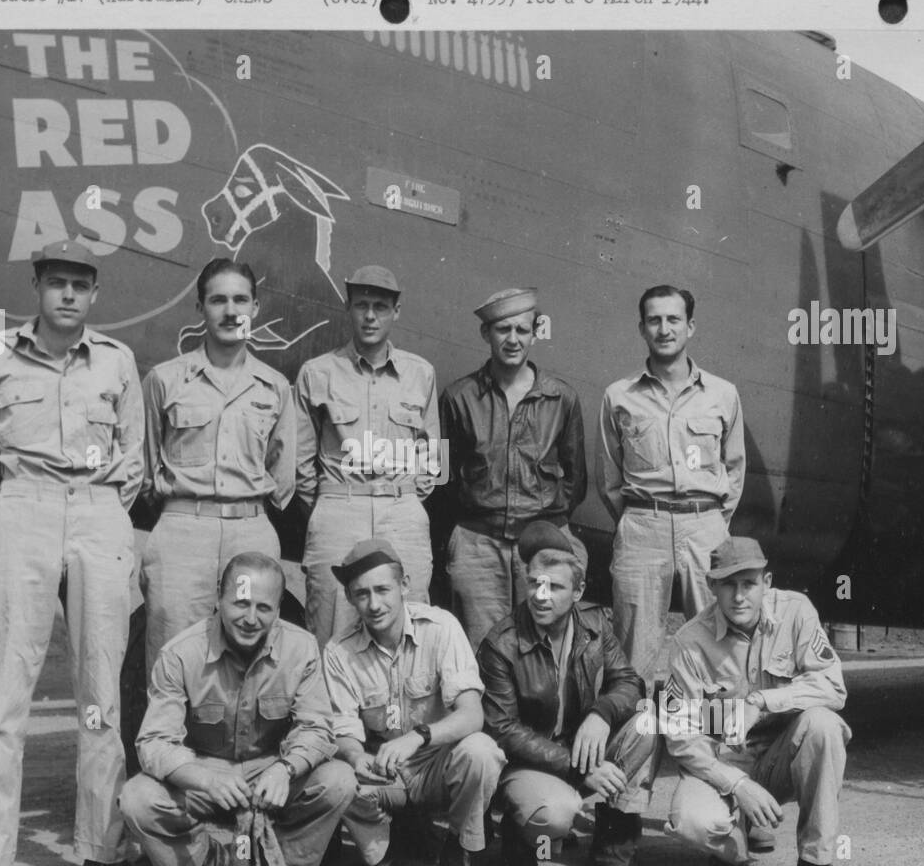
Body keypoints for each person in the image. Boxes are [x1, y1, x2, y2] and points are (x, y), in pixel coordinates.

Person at [0, 239, 144, 866]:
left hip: (97, 511)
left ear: (94, 294)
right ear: (36, 286)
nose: (68, 294)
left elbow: (135, 459)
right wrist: (13, 508)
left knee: (101, 694)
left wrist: (94, 510)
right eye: (57, 281)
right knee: (7, 698)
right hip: (23, 510)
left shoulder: (118, 361)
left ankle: (101, 850)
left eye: (81, 284)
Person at [118, 553, 355, 866]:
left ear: (278, 609)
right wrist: (203, 779)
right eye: (240, 603)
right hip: (203, 776)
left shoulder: (301, 646)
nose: (250, 618)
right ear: (218, 597)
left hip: (269, 774)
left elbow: (317, 727)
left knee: (338, 780)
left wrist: (285, 769)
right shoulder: (180, 654)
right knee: (137, 798)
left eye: (264, 607)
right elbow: (154, 742)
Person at [662, 537, 853, 866]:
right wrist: (737, 784)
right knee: (691, 822)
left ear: (766, 583)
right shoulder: (690, 642)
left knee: (824, 725)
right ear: (711, 586)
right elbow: (680, 735)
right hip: (724, 764)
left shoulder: (796, 612)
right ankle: (733, 846)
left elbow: (833, 687)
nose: (739, 597)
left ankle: (817, 862)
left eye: (749, 583)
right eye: (728, 585)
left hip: (781, 756)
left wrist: (761, 701)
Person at [478, 522, 660, 866]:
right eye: (535, 584)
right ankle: (524, 836)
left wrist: (601, 713)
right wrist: (579, 771)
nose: (540, 597)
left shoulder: (595, 625)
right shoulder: (501, 643)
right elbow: (503, 731)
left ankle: (612, 846)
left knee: (646, 718)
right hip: (528, 761)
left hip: (577, 748)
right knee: (557, 816)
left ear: (578, 591)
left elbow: (629, 682)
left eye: (555, 587)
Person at [323, 539, 504, 866]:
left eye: (383, 590)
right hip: (384, 770)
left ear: (404, 585)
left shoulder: (441, 627)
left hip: (437, 762)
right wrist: (358, 758)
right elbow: (343, 732)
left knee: (481, 752)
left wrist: (418, 736)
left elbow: (472, 714)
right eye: (361, 594)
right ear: (349, 597)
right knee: (337, 776)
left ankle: (457, 849)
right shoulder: (338, 652)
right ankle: (382, 847)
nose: (374, 604)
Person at [138, 259, 294, 673]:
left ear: (255, 308)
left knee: (250, 648)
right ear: (200, 309)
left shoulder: (275, 387)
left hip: (251, 532)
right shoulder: (165, 380)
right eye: (218, 300)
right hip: (182, 532)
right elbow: (145, 465)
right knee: (172, 649)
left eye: (240, 299)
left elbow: (283, 477)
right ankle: (164, 739)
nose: (230, 311)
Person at [596, 285, 745, 678]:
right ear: (642, 328)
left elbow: (734, 468)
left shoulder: (723, 394)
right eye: (654, 320)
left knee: (718, 637)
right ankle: (634, 736)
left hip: (705, 525)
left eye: (673, 319)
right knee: (634, 649)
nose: (664, 329)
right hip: (644, 526)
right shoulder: (618, 396)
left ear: (690, 326)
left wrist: (712, 522)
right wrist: (642, 520)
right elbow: (610, 478)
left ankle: (717, 738)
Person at [295, 265, 439, 647]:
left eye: (380, 306)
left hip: (401, 513)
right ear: (349, 307)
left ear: (396, 312)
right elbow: (301, 463)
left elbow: (431, 457)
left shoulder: (421, 374)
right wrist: (333, 504)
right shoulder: (318, 373)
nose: (370, 315)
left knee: (409, 625)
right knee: (330, 625)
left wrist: (404, 497)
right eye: (362, 305)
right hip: (339, 510)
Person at [439, 287, 589, 650]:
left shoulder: (561, 398)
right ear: (485, 334)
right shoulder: (458, 398)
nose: (513, 339)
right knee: (481, 650)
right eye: (503, 329)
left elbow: (575, 477)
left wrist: (545, 524)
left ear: (535, 332)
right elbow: (441, 476)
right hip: (478, 546)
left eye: (522, 330)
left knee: (543, 648)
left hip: (542, 543)